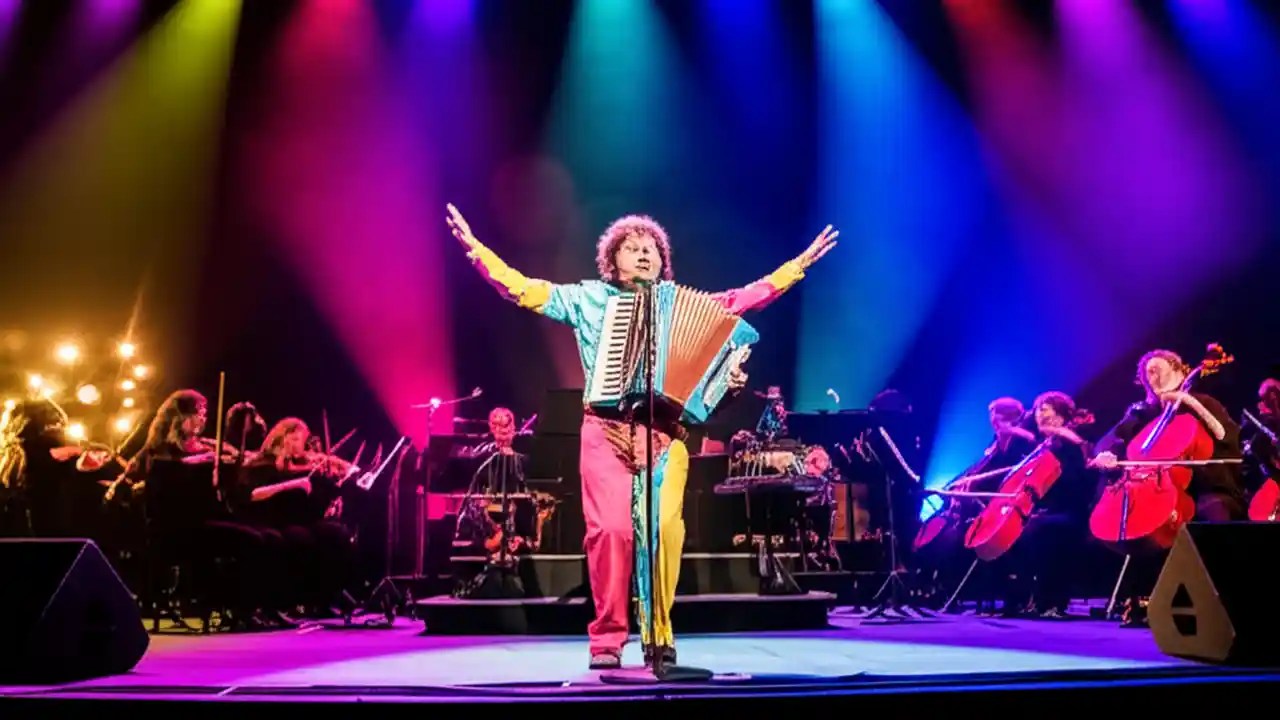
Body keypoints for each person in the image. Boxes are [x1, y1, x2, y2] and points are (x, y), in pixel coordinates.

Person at [446, 204, 837, 669]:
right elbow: (525, 291)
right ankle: (608, 638)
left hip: (666, 434)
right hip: (603, 430)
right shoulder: (587, 299)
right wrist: (476, 252)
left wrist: (799, 266)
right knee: (610, 532)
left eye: (651, 248)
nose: (644, 254)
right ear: (611, 260)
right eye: (632, 248)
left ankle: (659, 633)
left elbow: (746, 297)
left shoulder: (678, 302)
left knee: (666, 530)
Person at [1088, 349, 1245, 626]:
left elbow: (1224, 434)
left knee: (1214, 512)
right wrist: (1105, 456)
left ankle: (1223, 599)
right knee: (1138, 518)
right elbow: (1106, 443)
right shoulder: (1140, 413)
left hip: (1204, 485)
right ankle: (1143, 599)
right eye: (1147, 372)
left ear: (1180, 371)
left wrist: (1188, 401)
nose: (1153, 376)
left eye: (1159, 368)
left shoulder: (1202, 401)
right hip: (1157, 487)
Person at [997, 391, 1094, 618]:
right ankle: (1020, 598)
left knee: (1039, 530)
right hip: (1044, 509)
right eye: (1038, 409)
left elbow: (1076, 482)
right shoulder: (1044, 444)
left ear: (1060, 414)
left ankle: (1051, 600)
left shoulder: (1070, 442)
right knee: (1009, 531)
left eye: (1044, 409)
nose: (1038, 414)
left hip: (1070, 511)